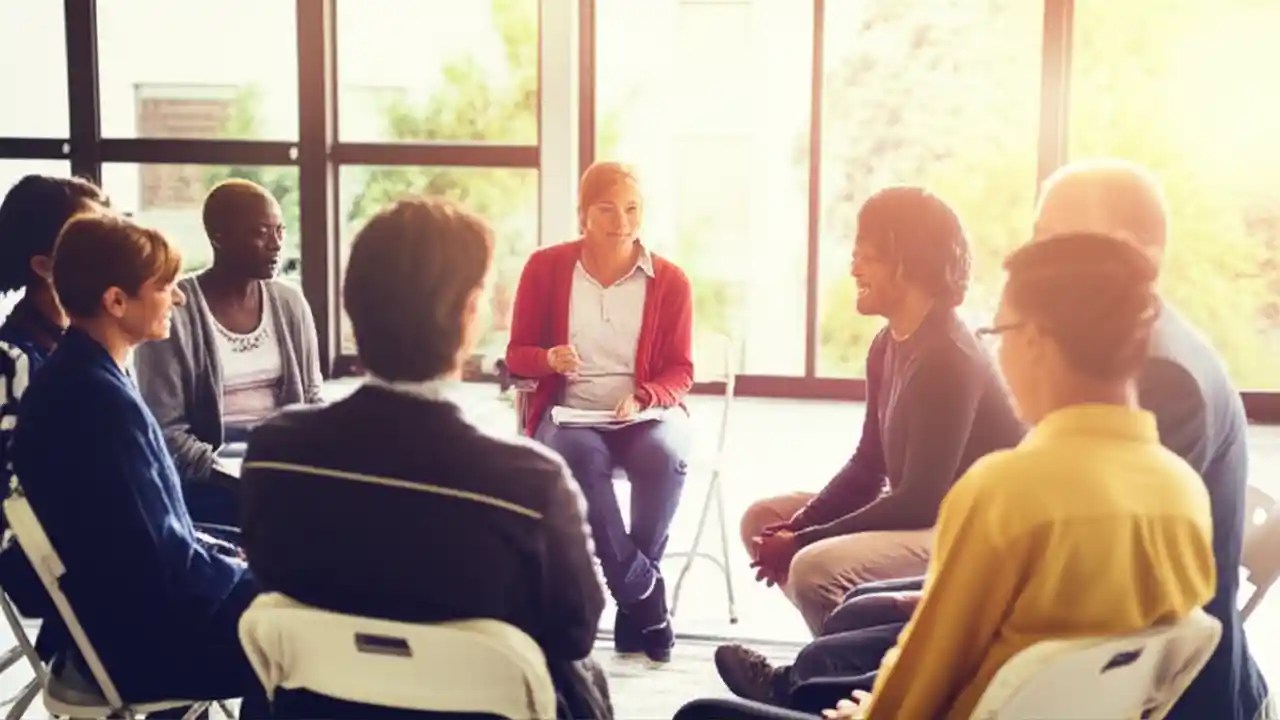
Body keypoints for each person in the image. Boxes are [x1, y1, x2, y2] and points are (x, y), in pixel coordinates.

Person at [715, 161, 1274, 718]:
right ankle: (802, 684)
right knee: (863, 611)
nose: (1037, 254)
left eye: (1051, 238)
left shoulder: (1158, 384)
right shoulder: (1171, 471)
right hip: (1080, 678)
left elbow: (1070, 596)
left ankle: (802, 690)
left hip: (1093, 693)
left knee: (705, 711)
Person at [240, 197, 611, 719]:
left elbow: (272, 584)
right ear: (470, 312)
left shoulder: (273, 456)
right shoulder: (529, 486)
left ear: (352, 309)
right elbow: (575, 632)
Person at [1032, 159, 1270, 720]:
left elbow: (1106, 575)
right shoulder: (1127, 349)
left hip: (1156, 692)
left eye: (1055, 240)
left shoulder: (1160, 376)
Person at [737, 186, 1023, 636]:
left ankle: (852, 666)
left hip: (963, 532)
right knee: (762, 520)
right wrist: (793, 528)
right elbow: (869, 466)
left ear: (904, 263)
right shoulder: (886, 344)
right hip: (920, 515)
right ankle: (847, 651)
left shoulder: (948, 357)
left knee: (813, 567)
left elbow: (921, 500)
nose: (853, 269)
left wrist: (803, 541)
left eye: (865, 257)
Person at [10, 214, 264, 711]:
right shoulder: (97, 404)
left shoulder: (78, 378)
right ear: (116, 301)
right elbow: (160, 562)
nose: (179, 297)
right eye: (164, 285)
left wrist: (225, 555)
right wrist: (245, 573)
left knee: (285, 589)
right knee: (303, 625)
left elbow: (151, 537)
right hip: (144, 647)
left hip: (117, 622)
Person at [505, 161, 694, 663]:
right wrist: (548, 359)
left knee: (665, 458)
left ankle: (635, 605)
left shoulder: (670, 281)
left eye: (632, 209)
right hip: (570, 416)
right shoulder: (545, 268)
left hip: (640, 415)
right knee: (580, 458)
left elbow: (681, 371)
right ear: (583, 214)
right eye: (607, 209)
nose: (621, 222)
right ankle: (647, 600)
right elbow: (516, 354)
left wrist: (646, 396)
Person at [134, 178, 322, 527]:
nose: (275, 244)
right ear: (219, 236)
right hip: (208, 483)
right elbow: (166, 432)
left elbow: (311, 401)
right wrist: (243, 478)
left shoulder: (290, 302)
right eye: (261, 232)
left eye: (279, 231)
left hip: (282, 472)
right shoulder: (174, 310)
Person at [0, 174, 110, 657]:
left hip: (91, 540)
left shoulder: (88, 342)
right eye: (92, 238)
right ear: (44, 266)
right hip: (48, 561)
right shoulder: (16, 360)